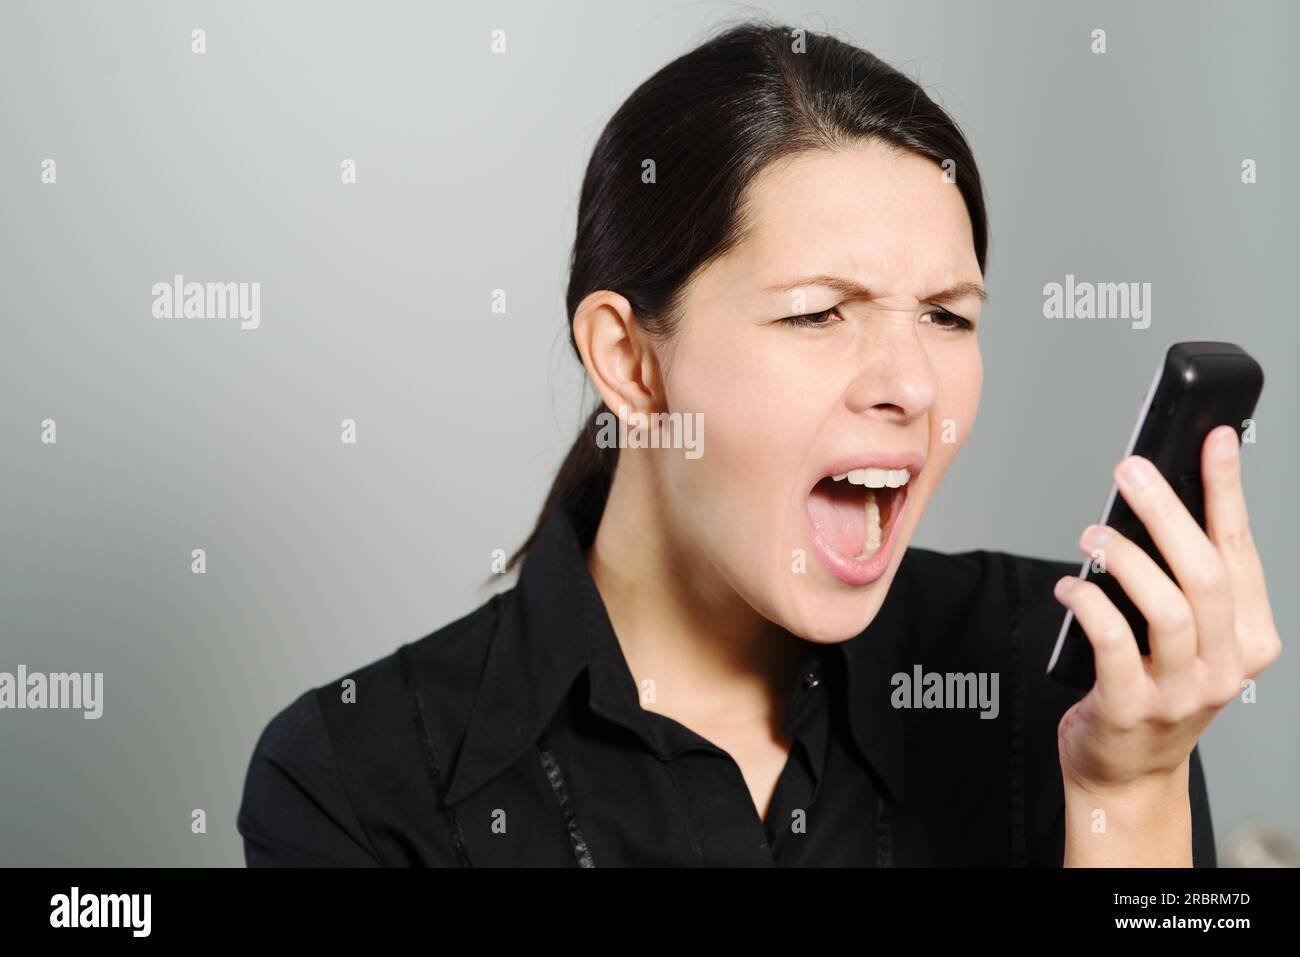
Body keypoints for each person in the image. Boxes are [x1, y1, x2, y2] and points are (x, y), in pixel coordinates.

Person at [236, 19, 1280, 867]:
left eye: (949, 317)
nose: (911, 385)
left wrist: (1130, 792)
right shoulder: (355, 779)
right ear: (630, 363)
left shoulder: (1083, 686)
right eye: (819, 313)